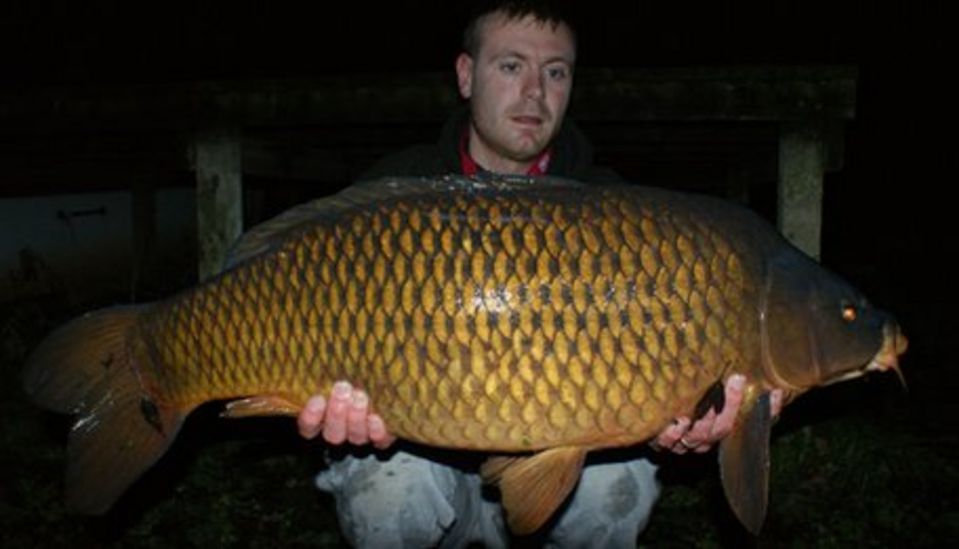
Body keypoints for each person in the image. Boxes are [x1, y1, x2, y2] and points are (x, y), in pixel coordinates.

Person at [294, 2, 783, 547]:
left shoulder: (616, 211)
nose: (534, 92)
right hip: (421, 464)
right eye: (511, 66)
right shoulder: (395, 190)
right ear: (465, 75)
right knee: (383, 487)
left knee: (620, 484)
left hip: (561, 468)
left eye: (555, 72)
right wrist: (340, 419)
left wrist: (690, 417)